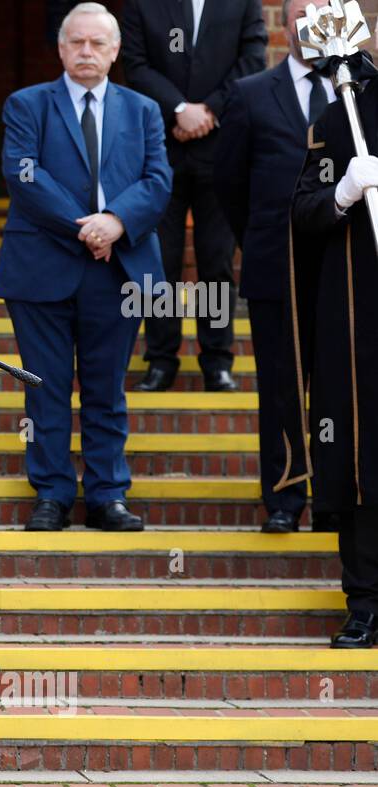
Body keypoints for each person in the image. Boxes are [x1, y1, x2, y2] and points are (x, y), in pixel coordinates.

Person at [0, 3, 171, 533]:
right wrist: (85, 227)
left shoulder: (143, 110)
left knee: (106, 386)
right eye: (76, 42)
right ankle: (51, 493)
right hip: (42, 264)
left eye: (97, 43)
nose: (87, 52)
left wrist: (116, 221)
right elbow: (23, 175)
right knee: (44, 385)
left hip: (119, 267)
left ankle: (107, 495)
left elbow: (158, 180)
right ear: (61, 48)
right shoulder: (27, 105)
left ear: (116, 51)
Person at [214, 0, 337, 534]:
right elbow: (229, 185)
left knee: (339, 388)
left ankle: (336, 496)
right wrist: (260, 240)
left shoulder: (359, 93)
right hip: (276, 266)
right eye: (302, 13)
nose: (311, 22)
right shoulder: (250, 95)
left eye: (325, 12)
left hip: (345, 270)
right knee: (283, 385)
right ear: (283, 24)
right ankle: (286, 496)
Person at [281, 51, 378, 648]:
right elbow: (302, 213)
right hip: (362, 317)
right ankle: (365, 601)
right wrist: (342, 193)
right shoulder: (345, 116)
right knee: (366, 460)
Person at [122, 0, 267, 392]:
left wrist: (208, 111)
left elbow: (253, 59)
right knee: (159, 262)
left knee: (216, 262)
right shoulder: (141, 4)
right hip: (157, 150)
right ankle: (161, 359)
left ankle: (217, 361)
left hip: (222, 148)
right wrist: (180, 109)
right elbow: (134, 63)